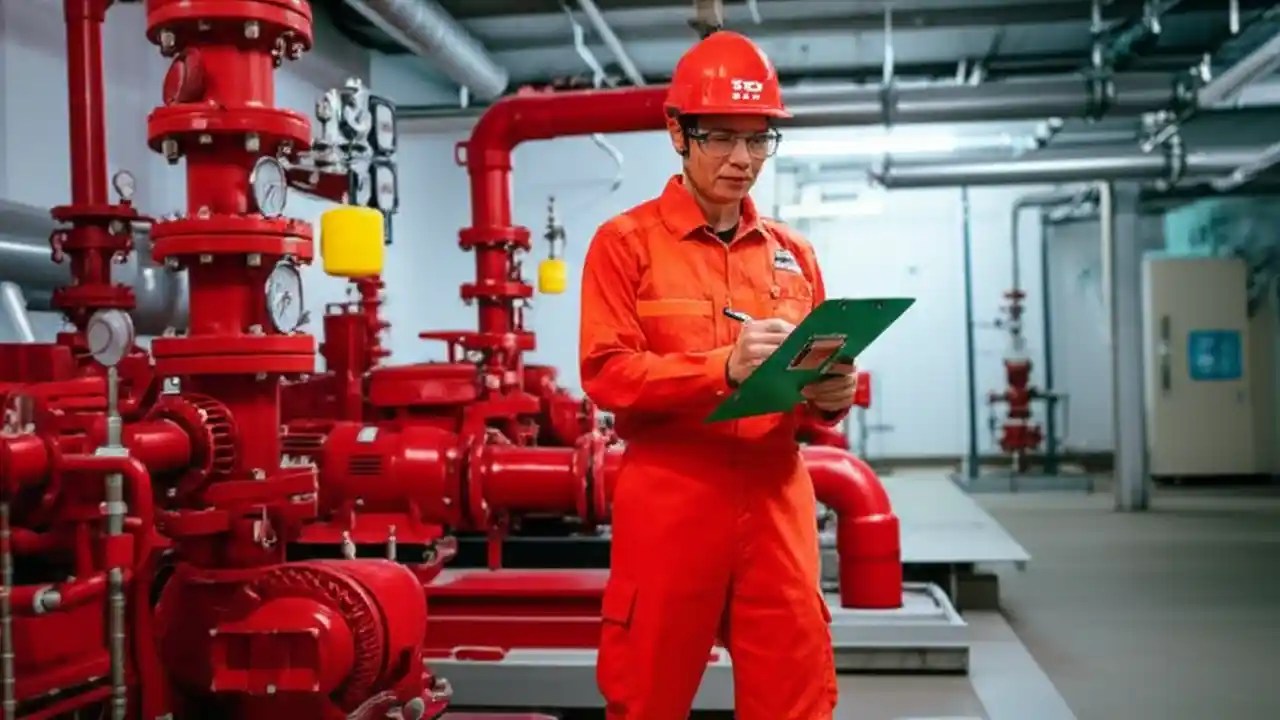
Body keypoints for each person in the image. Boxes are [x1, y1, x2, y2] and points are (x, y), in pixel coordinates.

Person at [578, 29, 859, 720]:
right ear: (678, 131)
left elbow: (813, 385)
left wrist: (831, 399)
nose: (742, 160)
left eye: (758, 139)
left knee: (796, 695)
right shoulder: (625, 245)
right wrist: (721, 366)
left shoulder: (795, 254)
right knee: (647, 696)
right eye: (721, 139)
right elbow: (607, 374)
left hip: (776, 496)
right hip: (671, 500)